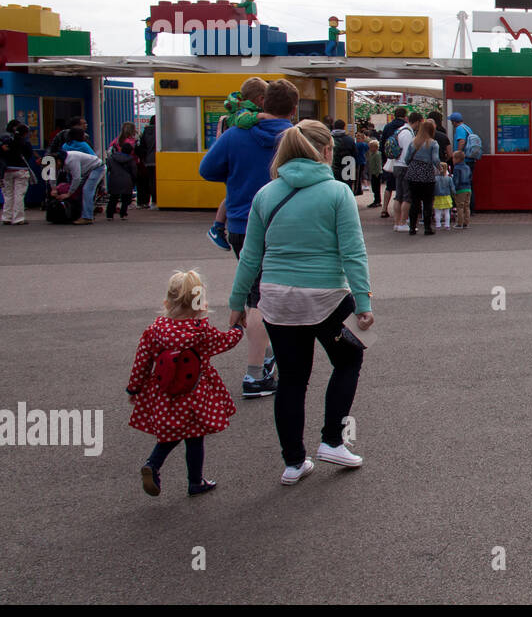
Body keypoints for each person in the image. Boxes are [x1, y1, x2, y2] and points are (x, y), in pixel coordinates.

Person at [228, 119, 374, 486]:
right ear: (326, 152)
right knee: (349, 358)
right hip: (325, 297)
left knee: (293, 379)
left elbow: (250, 256)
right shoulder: (338, 192)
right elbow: (352, 252)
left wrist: (236, 303)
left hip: (276, 298)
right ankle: (331, 440)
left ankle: (294, 462)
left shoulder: (266, 194)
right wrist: (362, 300)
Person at [199, 77, 299, 398]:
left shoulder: (234, 134)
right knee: (265, 298)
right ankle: (255, 374)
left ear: (261, 102)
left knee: (256, 292)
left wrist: (235, 174)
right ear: (294, 109)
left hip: (242, 224)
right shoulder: (293, 138)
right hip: (284, 223)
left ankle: (265, 358)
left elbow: (207, 170)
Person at [129, 269, 243, 497]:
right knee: (194, 438)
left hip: (165, 394)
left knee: (171, 434)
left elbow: (142, 361)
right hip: (195, 394)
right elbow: (225, 341)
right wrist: (238, 329)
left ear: (167, 302)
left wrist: (134, 388)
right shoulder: (201, 332)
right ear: (201, 304)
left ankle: (153, 464)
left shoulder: (155, 331)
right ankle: (195, 481)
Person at [208, 77, 269, 250]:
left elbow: (207, 170)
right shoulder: (245, 113)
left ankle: (218, 227)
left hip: (233, 165)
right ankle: (217, 227)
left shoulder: (235, 111)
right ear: (260, 99)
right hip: (251, 221)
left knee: (231, 195)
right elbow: (244, 121)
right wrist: (262, 116)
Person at [402, 119, 440, 235]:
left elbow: (407, 158)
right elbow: (435, 159)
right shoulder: (433, 143)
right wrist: (439, 167)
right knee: (428, 202)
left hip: (413, 174)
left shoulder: (414, 142)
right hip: (427, 174)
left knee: (414, 201)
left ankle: (412, 227)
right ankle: (427, 228)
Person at [50, 147, 105, 225]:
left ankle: (87, 217)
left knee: (87, 190)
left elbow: (76, 178)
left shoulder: (71, 160)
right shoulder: (58, 160)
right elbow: (52, 174)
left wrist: (68, 194)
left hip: (97, 168)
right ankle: (80, 213)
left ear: (58, 161)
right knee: (80, 190)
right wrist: (53, 189)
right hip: (86, 170)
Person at [391, 110, 422, 232]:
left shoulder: (400, 130)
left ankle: (397, 223)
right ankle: (403, 222)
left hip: (397, 165)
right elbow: (408, 153)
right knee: (407, 197)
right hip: (405, 166)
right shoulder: (409, 134)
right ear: (418, 121)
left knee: (398, 196)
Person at [1, 122, 36, 225]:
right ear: (25, 133)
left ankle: (6, 217)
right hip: (21, 170)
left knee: (8, 194)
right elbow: (29, 156)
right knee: (19, 194)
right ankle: (18, 218)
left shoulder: (7, 142)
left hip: (7, 170)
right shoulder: (25, 143)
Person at [378, 107, 408, 218]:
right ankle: (402, 213)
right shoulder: (406, 127)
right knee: (403, 188)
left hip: (390, 160)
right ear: (405, 115)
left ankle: (384, 209)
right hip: (403, 161)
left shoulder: (388, 126)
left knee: (389, 187)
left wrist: (385, 159)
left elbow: (382, 145)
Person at [449, 112, 480, 212]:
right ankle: (471, 207)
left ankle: (462, 207)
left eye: (451, 121)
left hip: (464, 160)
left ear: (454, 122)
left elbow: (461, 141)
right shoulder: (467, 128)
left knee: (461, 184)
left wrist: (457, 154)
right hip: (470, 159)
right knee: (469, 184)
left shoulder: (459, 129)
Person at [105, 136, 138, 220]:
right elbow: (134, 172)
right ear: (130, 151)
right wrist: (134, 180)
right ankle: (123, 214)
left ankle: (109, 215)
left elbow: (108, 168)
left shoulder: (111, 158)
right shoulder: (130, 160)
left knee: (113, 198)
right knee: (125, 199)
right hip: (127, 181)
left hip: (114, 179)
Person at [135, 116, 157, 209]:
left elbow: (141, 147)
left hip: (148, 160)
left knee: (150, 181)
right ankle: (156, 200)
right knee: (157, 181)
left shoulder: (145, 132)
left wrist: (144, 158)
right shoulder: (159, 131)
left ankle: (152, 201)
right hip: (158, 159)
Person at [331, 119, 357, 186]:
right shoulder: (350, 140)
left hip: (332, 170)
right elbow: (355, 155)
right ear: (344, 127)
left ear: (333, 127)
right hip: (347, 171)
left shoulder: (329, 139)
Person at [451, 150, 473, 227]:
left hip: (460, 189)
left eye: (453, 158)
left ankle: (460, 223)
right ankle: (466, 222)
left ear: (457, 159)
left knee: (459, 207)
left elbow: (456, 180)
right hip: (468, 189)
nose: (452, 160)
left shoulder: (456, 168)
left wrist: (454, 189)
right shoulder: (467, 167)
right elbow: (470, 177)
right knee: (467, 206)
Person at [432, 162, 455, 230]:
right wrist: (454, 193)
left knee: (437, 212)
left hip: (437, 197)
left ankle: (438, 225)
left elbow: (433, 188)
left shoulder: (435, 178)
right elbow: (452, 188)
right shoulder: (449, 178)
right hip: (447, 196)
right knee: (447, 212)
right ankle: (447, 225)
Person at [365, 139, 382, 207]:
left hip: (376, 173)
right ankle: (376, 200)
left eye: (371, 147)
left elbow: (378, 165)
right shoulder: (372, 154)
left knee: (376, 188)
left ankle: (377, 201)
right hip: (373, 173)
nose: (370, 148)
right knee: (374, 188)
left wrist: (377, 173)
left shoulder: (377, 154)